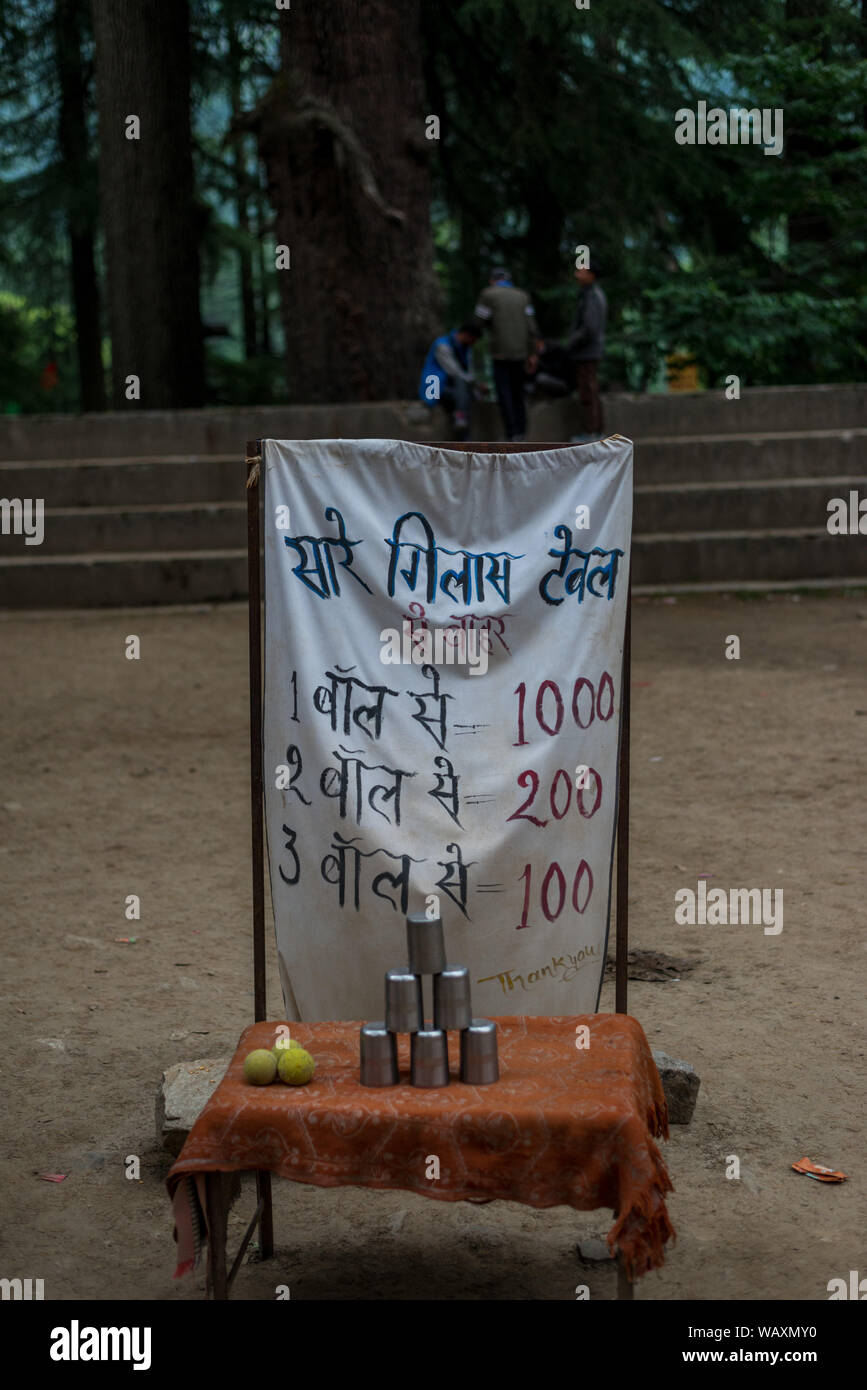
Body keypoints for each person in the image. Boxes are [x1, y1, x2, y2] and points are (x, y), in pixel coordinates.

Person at [473, 267, 541, 441]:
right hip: (520, 353)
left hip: (500, 353)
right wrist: (533, 353)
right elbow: (532, 327)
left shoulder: (488, 295)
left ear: (492, 280)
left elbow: (478, 323)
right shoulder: (522, 296)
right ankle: (522, 433)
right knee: (518, 393)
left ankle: (511, 434)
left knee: (504, 394)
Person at [418, 323, 482, 440]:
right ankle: (462, 426)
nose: (473, 344)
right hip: (434, 389)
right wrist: (475, 386)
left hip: (452, 389)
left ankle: (462, 429)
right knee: (462, 388)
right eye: (473, 340)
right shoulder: (442, 345)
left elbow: (469, 373)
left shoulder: (465, 348)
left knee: (464, 395)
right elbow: (455, 372)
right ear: (466, 335)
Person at [567, 260, 608, 441]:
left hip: (588, 351)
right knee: (589, 390)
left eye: (581, 271)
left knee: (588, 391)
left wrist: (572, 341)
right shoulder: (589, 294)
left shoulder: (592, 296)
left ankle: (593, 433)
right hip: (588, 351)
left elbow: (589, 328)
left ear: (591, 275)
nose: (577, 274)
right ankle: (594, 431)